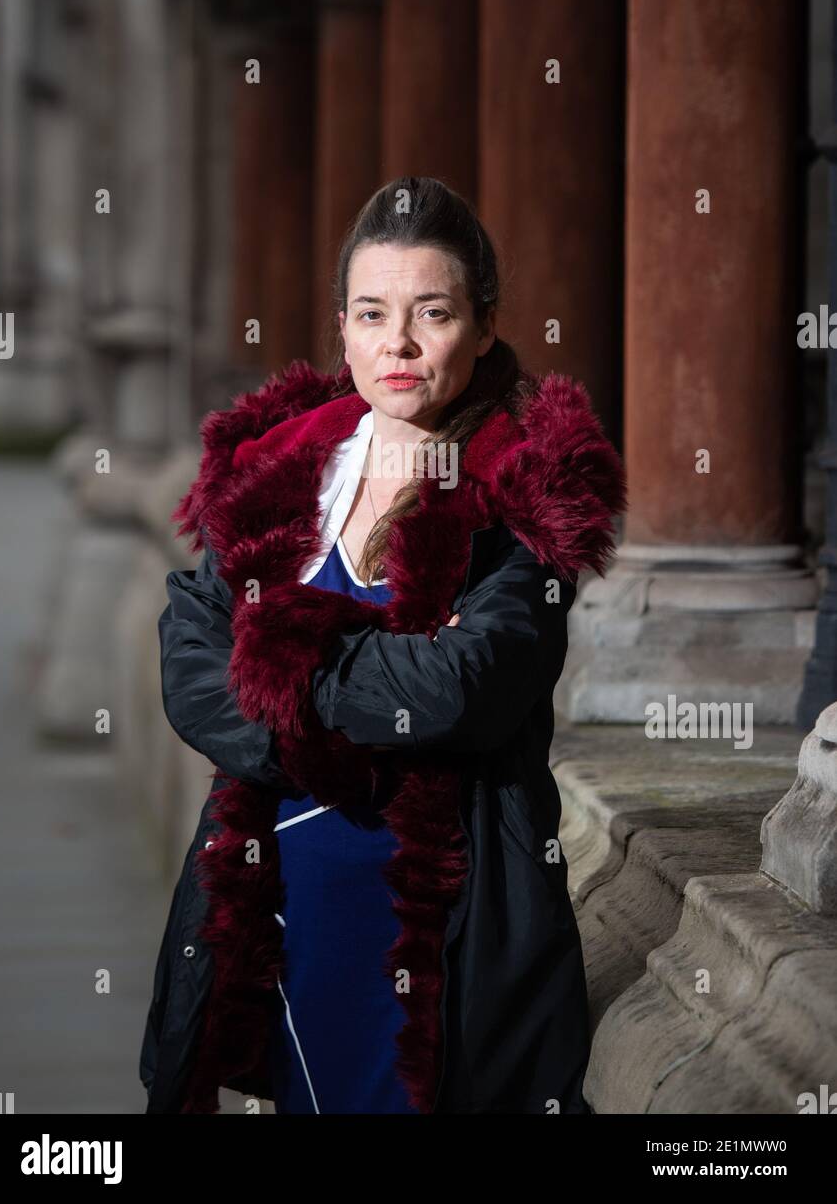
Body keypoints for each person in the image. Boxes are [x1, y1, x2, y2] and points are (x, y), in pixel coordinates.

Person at [140, 176, 627, 1115]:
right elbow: (188, 662)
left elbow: (464, 688)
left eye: (431, 312)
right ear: (344, 329)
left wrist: (273, 654)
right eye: (372, 313)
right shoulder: (278, 470)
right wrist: (374, 665)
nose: (397, 343)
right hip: (278, 922)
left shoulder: (526, 490)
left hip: (442, 941)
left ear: (483, 328)